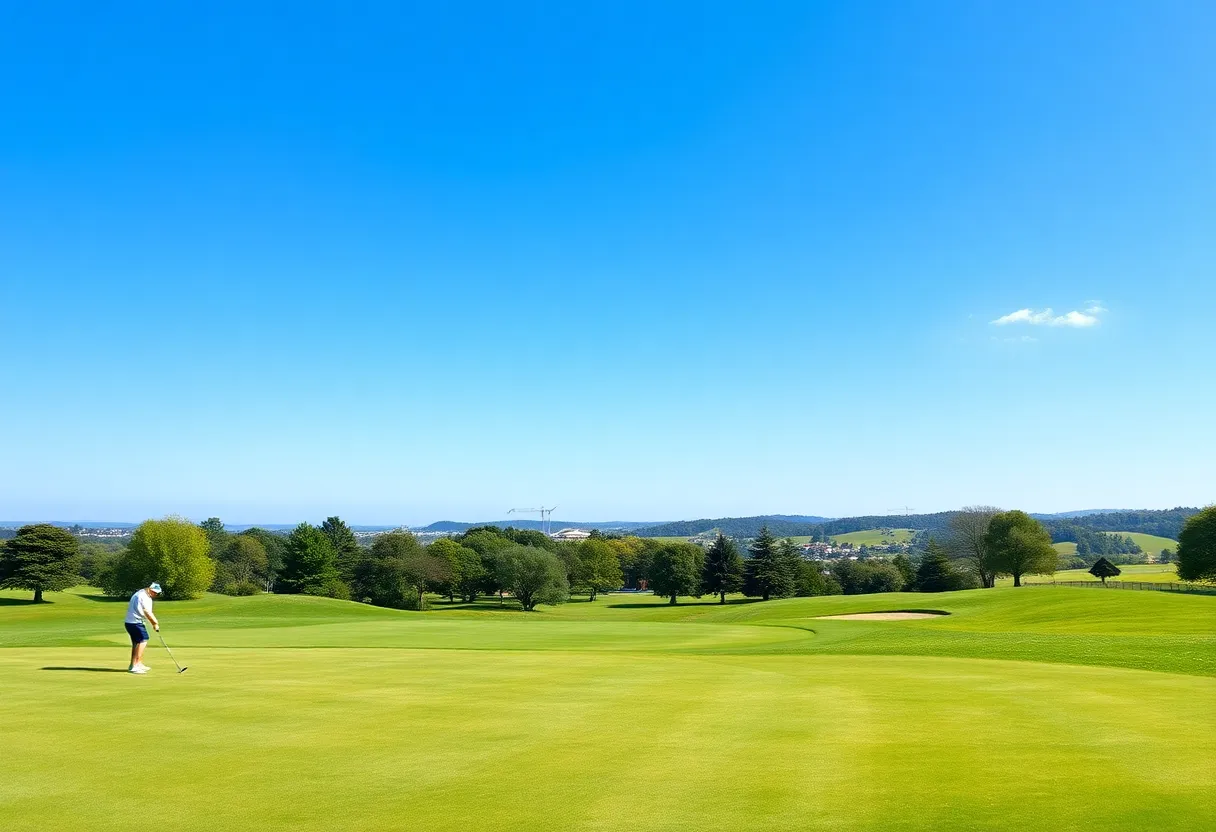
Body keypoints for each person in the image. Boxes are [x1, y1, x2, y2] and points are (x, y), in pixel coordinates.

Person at [124, 583, 162, 673]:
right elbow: (147, 612)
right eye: (154, 592)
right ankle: (135, 666)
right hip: (135, 622)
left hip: (131, 622)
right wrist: (155, 623)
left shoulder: (140, 593)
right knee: (143, 640)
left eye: (157, 593)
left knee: (136, 643)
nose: (155, 594)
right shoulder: (144, 597)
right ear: (150, 589)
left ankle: (136, 664)